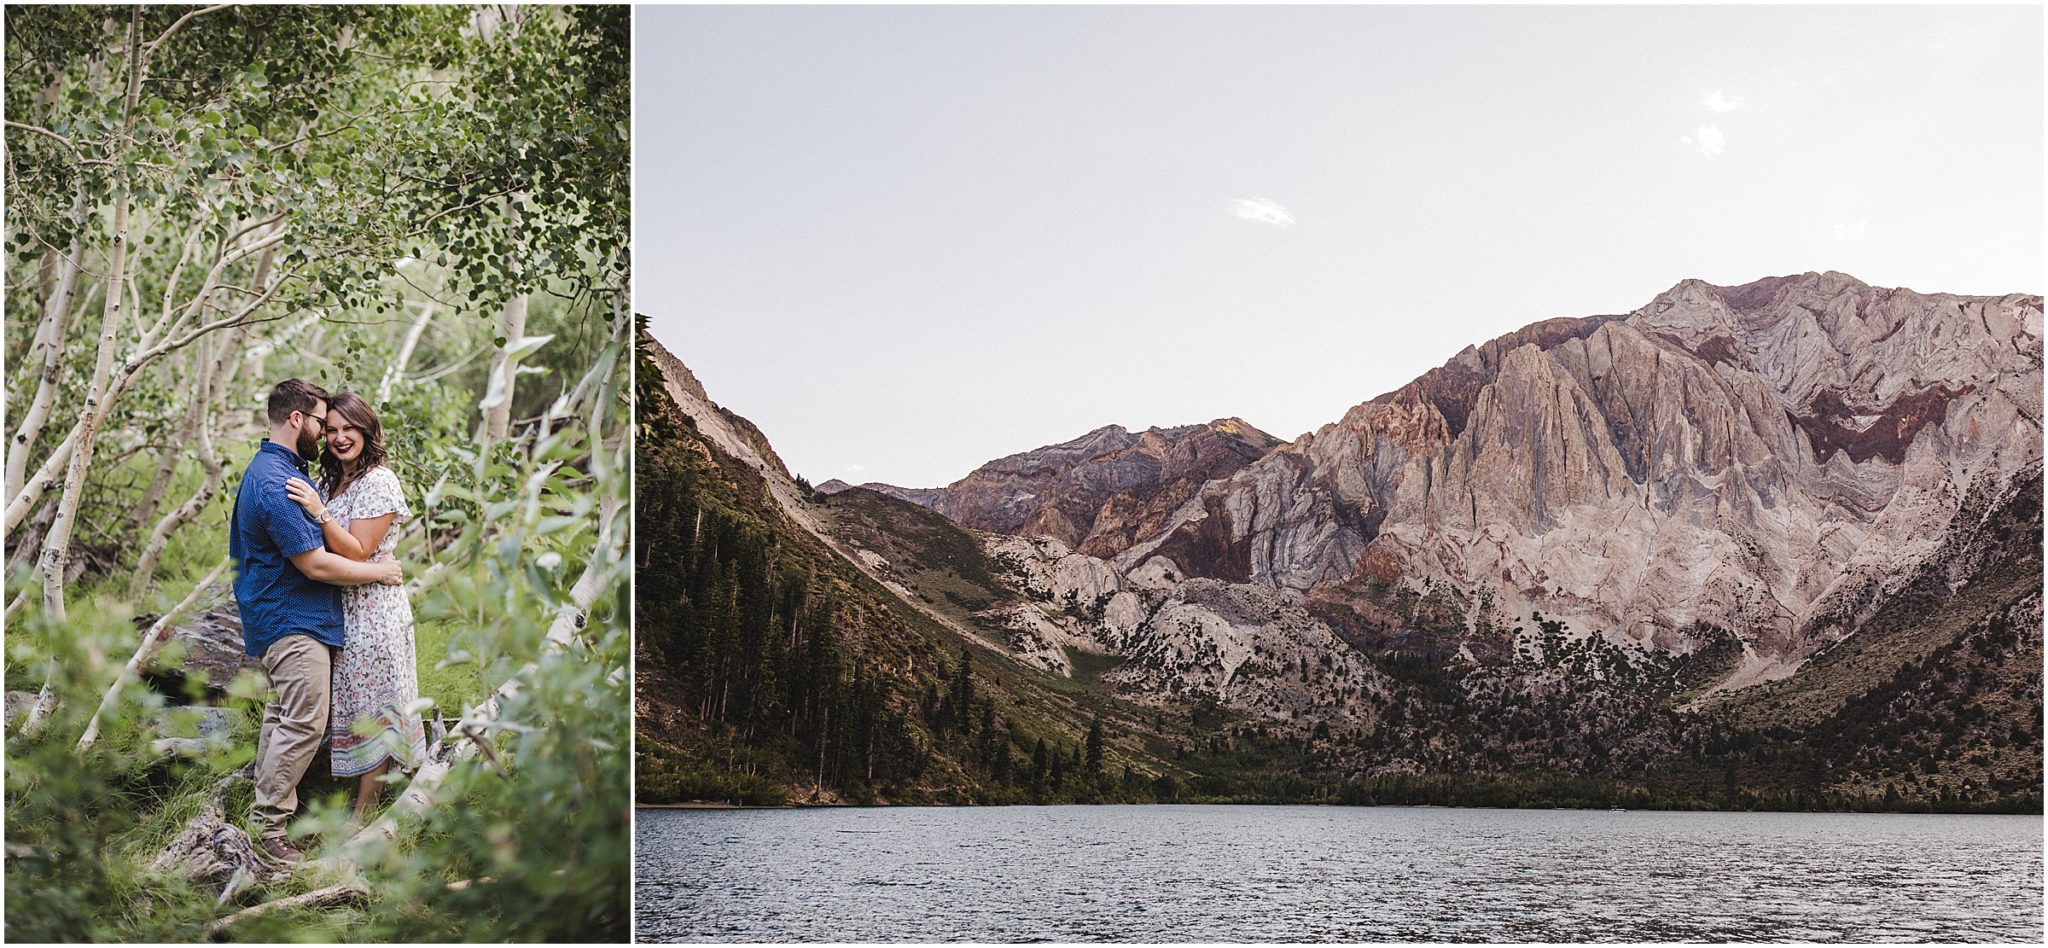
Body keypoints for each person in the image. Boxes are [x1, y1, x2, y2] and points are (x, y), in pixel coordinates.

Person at [232, 379, 402, 865]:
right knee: (304, 722)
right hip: (291, 619)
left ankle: (264, 815)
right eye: (323, 424)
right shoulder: (277, 482)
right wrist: (380, 572)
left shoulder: (282, 471)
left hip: (291, 617)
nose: (327, 433)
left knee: (283, 716)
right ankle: (268, 829)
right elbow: (316, 564)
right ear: (296, 420)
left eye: (342, 427)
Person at [283, 391, 427, 825]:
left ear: (367, 431)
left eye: (350, 429)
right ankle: (341, 801)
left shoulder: (378, 481)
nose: (340, 438)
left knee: (375, 707)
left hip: (374, 611)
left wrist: (319, 512)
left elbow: (361, 551)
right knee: (351, 705)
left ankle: (363, 818)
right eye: (331, 430)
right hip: (340, 606)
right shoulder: (329, 480)